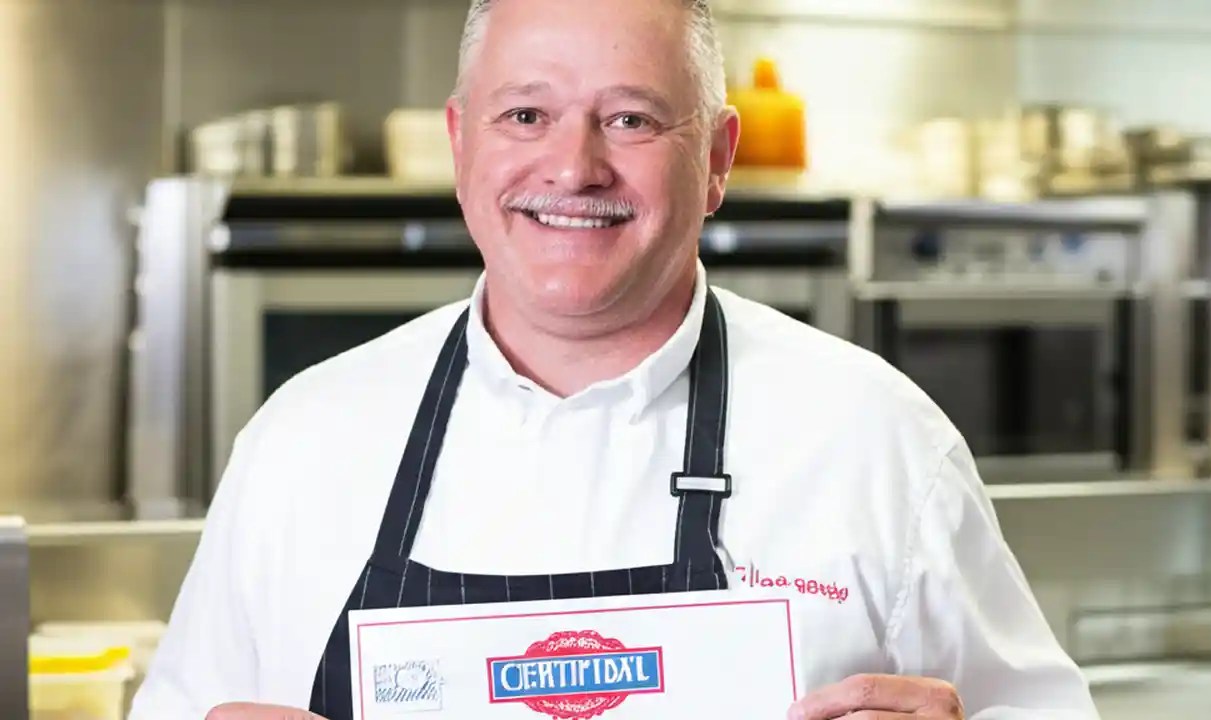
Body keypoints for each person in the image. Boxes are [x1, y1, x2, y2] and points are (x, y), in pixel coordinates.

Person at [129, 0, 1100, 718]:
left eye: (629, 117)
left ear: (716, 160)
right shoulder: (305, 439)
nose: (572, 166)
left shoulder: (874, 440)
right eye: (524, 116)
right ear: (461, 145)